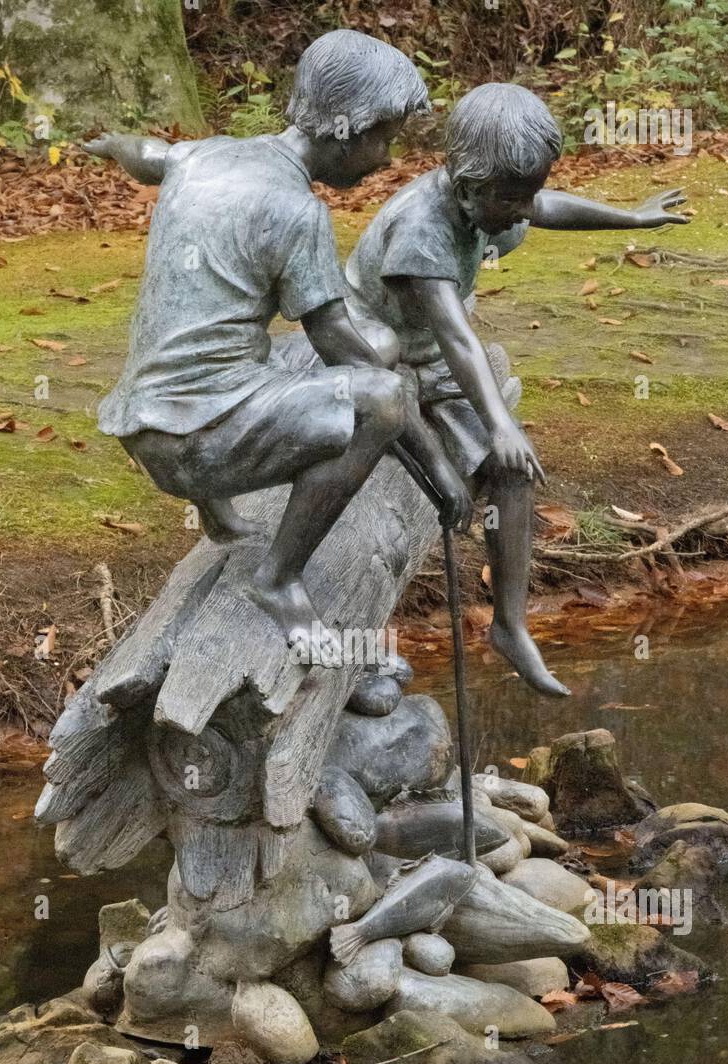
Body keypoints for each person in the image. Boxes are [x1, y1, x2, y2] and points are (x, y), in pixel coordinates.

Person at [84, 30, 470, 654]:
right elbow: (352, 360)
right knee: (380, 396)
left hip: (144, 418)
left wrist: (112, 145)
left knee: (356, 342)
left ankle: (221, 513)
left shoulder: (204, 154)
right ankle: (278, 578)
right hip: (191, 444)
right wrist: (438, 467)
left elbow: (146, 153)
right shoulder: (298, 212)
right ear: (348, 129)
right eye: (385, 138)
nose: (389, 159)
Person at [345, 82, 688, 696]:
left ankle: (509, 625)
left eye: (527, 194)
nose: (526, 211)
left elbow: (550, 207)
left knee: (514, 471)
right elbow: (455, 335)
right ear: (467, 183)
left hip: (435, 365)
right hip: (378, 360)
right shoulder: (421, 227)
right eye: (515, 198)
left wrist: (632, 217)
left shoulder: (494, 201)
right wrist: (498, 420)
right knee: (412, 385)